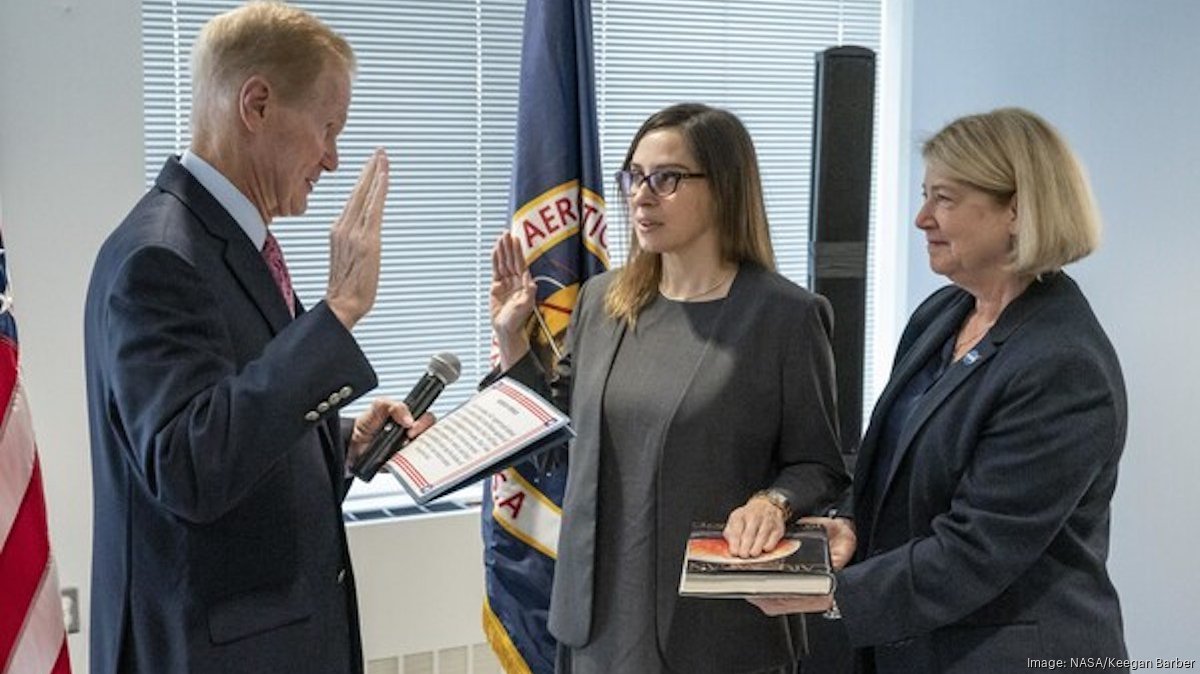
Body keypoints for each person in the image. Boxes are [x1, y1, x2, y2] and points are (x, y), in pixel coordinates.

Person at [84, 4, 431, 673]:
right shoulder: (158, 256)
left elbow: (235, 409)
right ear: (258, 103)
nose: (332, 160)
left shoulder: (232, 241)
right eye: (328, 129)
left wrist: (343, 440)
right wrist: (335, 316)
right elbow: (188, 464)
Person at [752, 108, 1129, 672]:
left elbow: (979, 548)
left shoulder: (1061, 362)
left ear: (1018, 210)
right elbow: (894, 461)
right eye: (926, 195)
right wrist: (851, 522)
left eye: (944, 199)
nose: (921, 218)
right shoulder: (943, 314)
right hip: (917, 646)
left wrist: (833, 593)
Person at [487, 103, 850, 673]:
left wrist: (771, 502)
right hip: (595, 620)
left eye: (667, 178)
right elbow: (557, 428)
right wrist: (513, 340)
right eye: (634, 176)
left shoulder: (785, 316)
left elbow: (819, 464)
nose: (641, 195)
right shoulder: (602, 302)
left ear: (725, 188)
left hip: (715, 626)